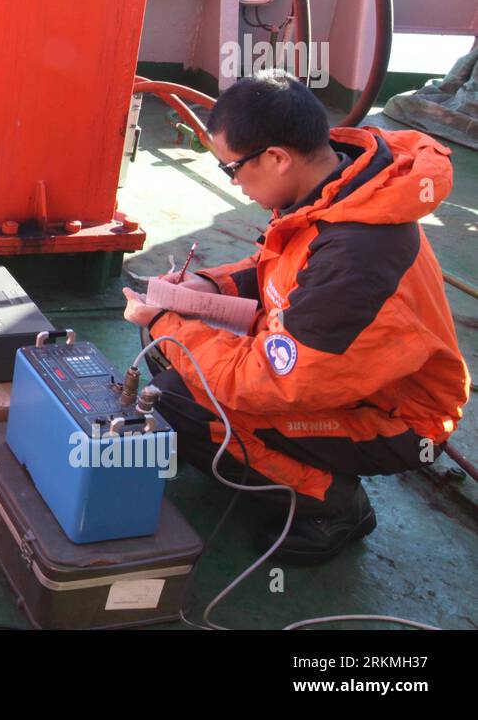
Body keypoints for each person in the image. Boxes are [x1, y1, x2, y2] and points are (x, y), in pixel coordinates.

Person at [122, 71, 469, 564]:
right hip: (342, 376)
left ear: (278, 158)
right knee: (176, 360)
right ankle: (279, 461)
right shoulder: (337, 191)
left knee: (182, 399)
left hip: (397, 417)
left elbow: (268, 382)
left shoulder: (358, 256)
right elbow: (284, 268)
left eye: (233, 170)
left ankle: (333, 503)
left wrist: (164, 322)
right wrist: (208, 288)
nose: (237, 185)